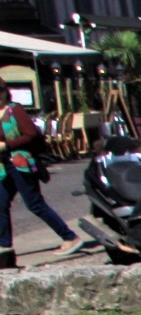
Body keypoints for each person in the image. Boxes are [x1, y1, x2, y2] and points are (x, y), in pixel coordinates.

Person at [0, 95, 94, 267]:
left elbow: (31, 134)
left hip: (21, 162)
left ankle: (70, 237)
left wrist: (8, 145)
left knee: (34, 204)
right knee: (1, 203)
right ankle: (4, 245)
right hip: (4, 166)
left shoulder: (15, 110)